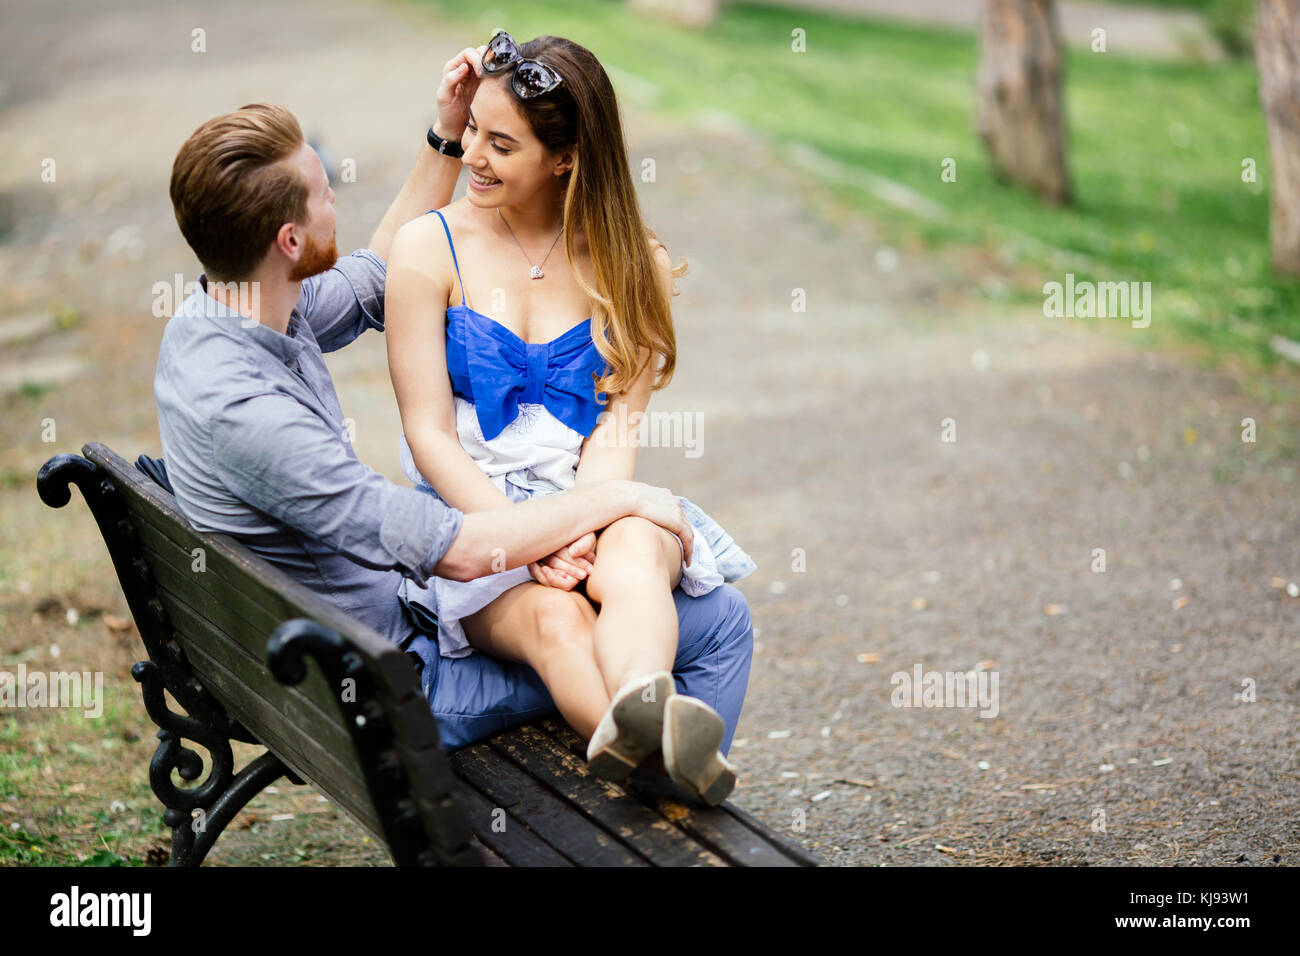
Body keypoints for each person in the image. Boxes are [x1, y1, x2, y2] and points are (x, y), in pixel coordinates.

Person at [152, 47, 756, 787]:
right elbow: (453, 545)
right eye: (324, 189)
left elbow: (375, 277)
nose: (338, 193)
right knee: (710, 621)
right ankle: (668, 804)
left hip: (353, 640)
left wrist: (442, 133)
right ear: (291, 242)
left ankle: (648, 735)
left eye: (496, 140)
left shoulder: (239, 308)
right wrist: (614, 506)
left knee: (620, 586)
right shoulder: (244, 411)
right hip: (395, 672)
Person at [385, 31, 756, 804]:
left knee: (639, 552)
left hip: (592, 501)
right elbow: (428, 435)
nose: (474, 156)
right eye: (473, 132)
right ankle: (668, 777)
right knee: (555, 623)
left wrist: (580, 527)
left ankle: (646, 704)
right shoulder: (430, 247)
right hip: (475, 526)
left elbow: (616, 429)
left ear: (565, 158)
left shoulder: (631, 261)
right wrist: (527, 545)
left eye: (501, 143)